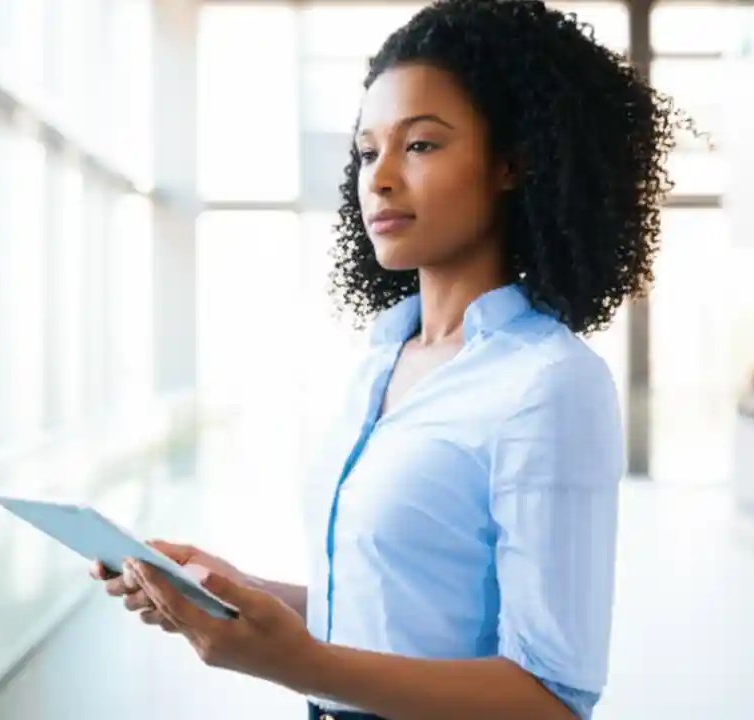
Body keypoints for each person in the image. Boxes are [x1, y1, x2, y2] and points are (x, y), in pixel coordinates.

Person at [90, 2, 677, 717]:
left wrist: (297, 664)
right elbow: (389, 614)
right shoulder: (382, 361)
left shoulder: (548, 384)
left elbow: (551, 699)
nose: (380, 178)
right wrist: (234, 594)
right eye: (369, 152)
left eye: (421, 145)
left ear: (514, 163)